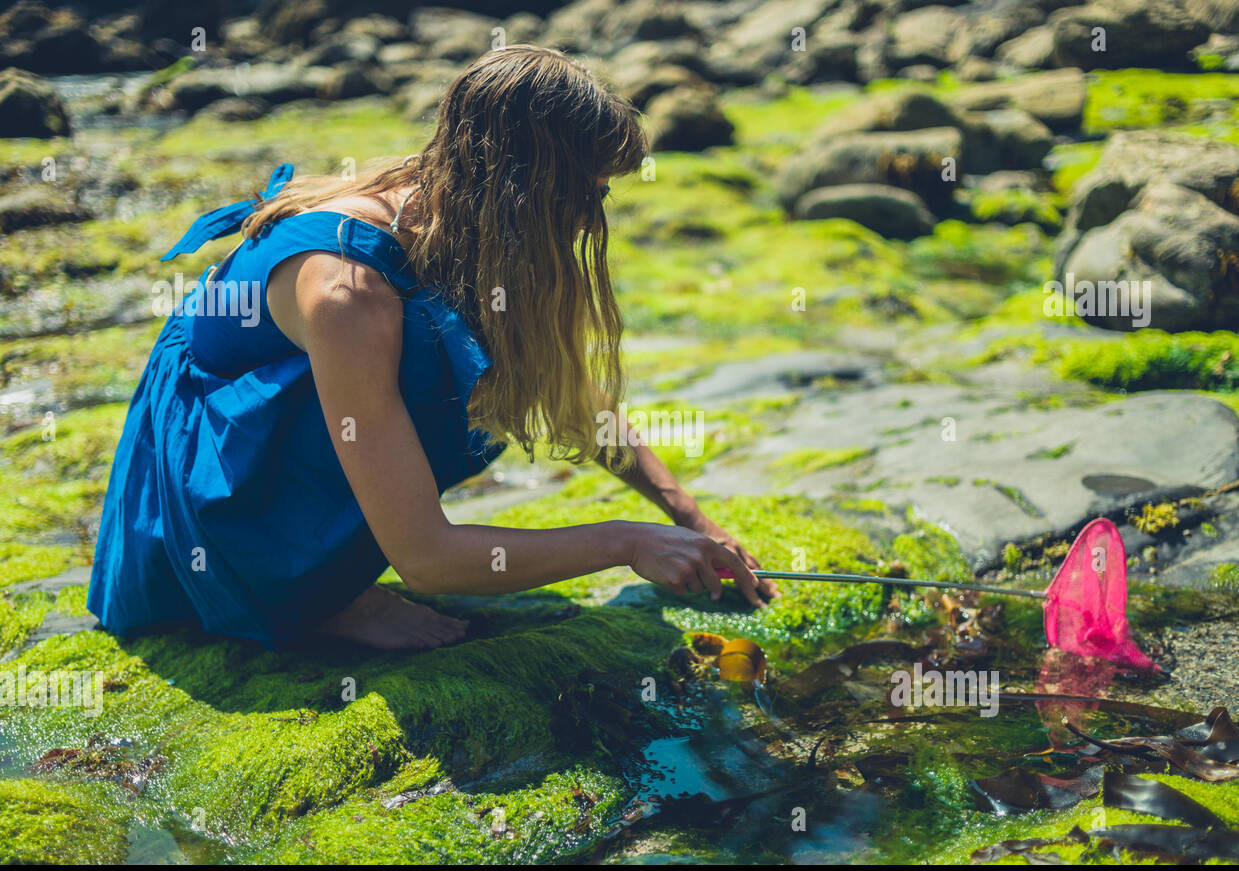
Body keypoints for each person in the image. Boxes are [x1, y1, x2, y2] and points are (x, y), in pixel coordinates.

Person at [88, 45, 777, 651]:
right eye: (588, 195)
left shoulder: (459, 206)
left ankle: (331, 566)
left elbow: (566, 395)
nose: (592, 221)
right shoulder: (348, 292)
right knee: (422, 363)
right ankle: (312, 596)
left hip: (305, 390)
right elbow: (427, 560)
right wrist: (627, 542)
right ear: (526, 192)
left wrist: (687, 517)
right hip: (212, 472)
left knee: (485, 350)